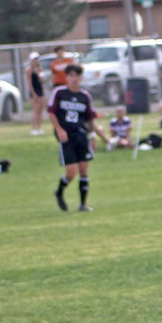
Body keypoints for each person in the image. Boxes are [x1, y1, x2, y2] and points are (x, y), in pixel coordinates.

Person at [49, 64, 106, 212]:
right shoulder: (60, 93)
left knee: (84, 168)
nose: (74, 79)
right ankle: (59, 191)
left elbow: (90, 118)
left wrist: (93, 136)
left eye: (77, 76)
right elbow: (52, 113)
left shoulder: (84, 96)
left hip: (81, 134)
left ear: (81, 78)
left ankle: (83, 204)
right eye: (71, 76)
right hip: (66, 136)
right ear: (67, 77)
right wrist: (59, 129)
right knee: (71, 172)